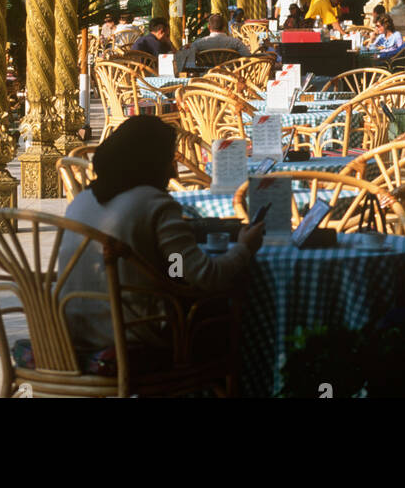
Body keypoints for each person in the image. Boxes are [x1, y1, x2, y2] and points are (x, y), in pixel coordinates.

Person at [60, 116, 264, 353]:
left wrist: (175, 263)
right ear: (152, 162)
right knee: (235, 308)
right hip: (135, 337)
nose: (174, 173)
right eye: (169, 160)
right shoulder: (154, 203)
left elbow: (175, 269)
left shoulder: (80, 202)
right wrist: (244, 248)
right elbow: (207, 276)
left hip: (72, 337)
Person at [178, 14, 249, 70]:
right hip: (231, 79)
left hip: (207, 80)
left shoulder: (199, 43)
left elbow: (187, 60)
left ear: (209, 27)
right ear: (224, 27)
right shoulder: (236, 43)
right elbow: (248, 58)